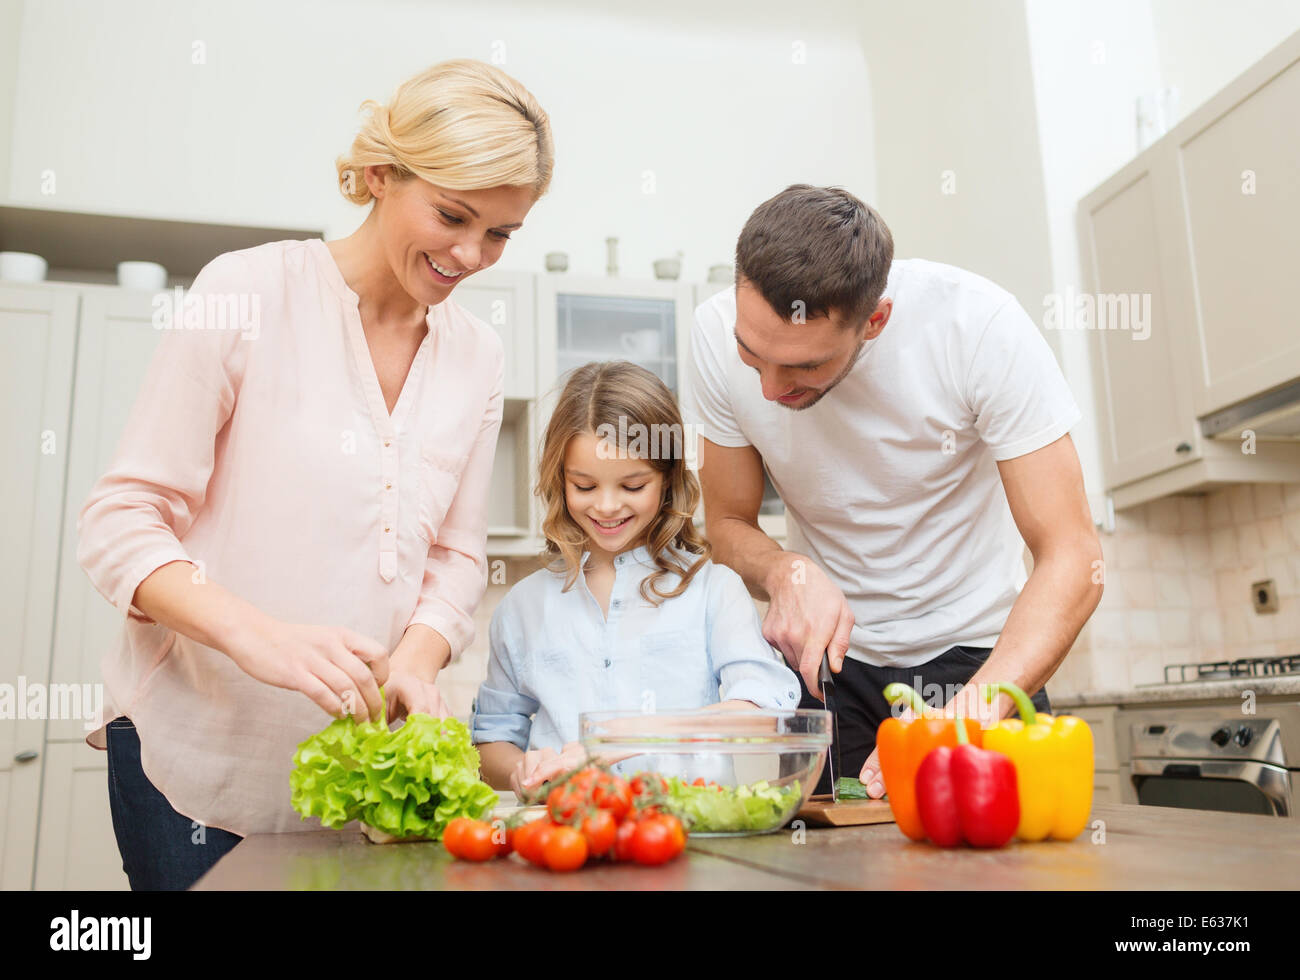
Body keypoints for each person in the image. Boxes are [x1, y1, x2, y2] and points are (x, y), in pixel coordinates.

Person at [76, 60, 554, 890]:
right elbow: (120, 520)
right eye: (453, 215)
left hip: (355, 783)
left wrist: (416, 659)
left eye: (502, 233)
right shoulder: (248, 292)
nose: (472, 255)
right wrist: (258, 636)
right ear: (378, 175)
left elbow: (454, 559)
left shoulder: (478, 355)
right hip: (195, 761)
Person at [686, 184, 1103, 798]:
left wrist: (973, 711)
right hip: (826, 665)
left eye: (804, 367)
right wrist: (786, 572)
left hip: (982, 658)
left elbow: (1073, 554)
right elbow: (725, 523)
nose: (770, 390)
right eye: (753, 356)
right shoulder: (713, 331)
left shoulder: (977, 326)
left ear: (874, 321)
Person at [472, 361, 801, 796]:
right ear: (560, 480)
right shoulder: (522, 607)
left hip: (685, 841)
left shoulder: (713, 590)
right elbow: (493, 739)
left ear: (667, 480)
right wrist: (521, 772)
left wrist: (625, 738)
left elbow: (764, 711)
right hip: (565, 838)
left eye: (632, 486)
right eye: (585, 487)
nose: (607, 507)